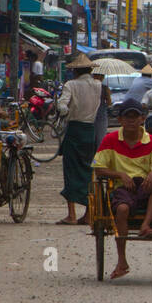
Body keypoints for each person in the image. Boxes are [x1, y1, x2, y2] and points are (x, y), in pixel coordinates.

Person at [93, 100, 152, 279]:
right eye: (128, 117)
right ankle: (122, 260)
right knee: (122, 209)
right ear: (120, 119)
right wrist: (120, 175)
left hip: (144, 186)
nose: (132, 121)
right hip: (121, 188)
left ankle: (145, 225)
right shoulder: (110, 140)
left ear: (142, 119)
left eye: (136, 117)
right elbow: (98, 167)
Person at [54, 54, 103, 226]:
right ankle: (88, 214)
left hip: (75, 130)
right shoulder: (98, 85)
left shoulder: (71, 85)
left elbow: (62, 105)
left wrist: (63, 110)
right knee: (88, 172)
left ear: (75, 70)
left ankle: (72, 214)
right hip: (90, 131)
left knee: (71, 172)